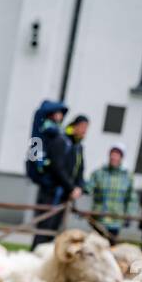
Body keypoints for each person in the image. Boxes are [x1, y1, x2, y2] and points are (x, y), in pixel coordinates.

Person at [26, 99, 80, 249]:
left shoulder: (56, 132)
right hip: (50, 187)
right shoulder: (47, 131)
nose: (60, 116)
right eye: (57, 113)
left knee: (50, 228)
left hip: (54, 187)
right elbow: (40, 158)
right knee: (45, 227)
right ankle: (37, 254)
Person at [87, 141, 135, 240]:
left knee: (110, 248)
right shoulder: (99, 173)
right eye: (112, 154)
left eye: (117, 155)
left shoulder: (127, 177)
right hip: (99, 219)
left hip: (116, 220)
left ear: (121, 158)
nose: (114, 157)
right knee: (95, 247)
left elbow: (131, 198)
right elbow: (88, 188)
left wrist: (129, 215)